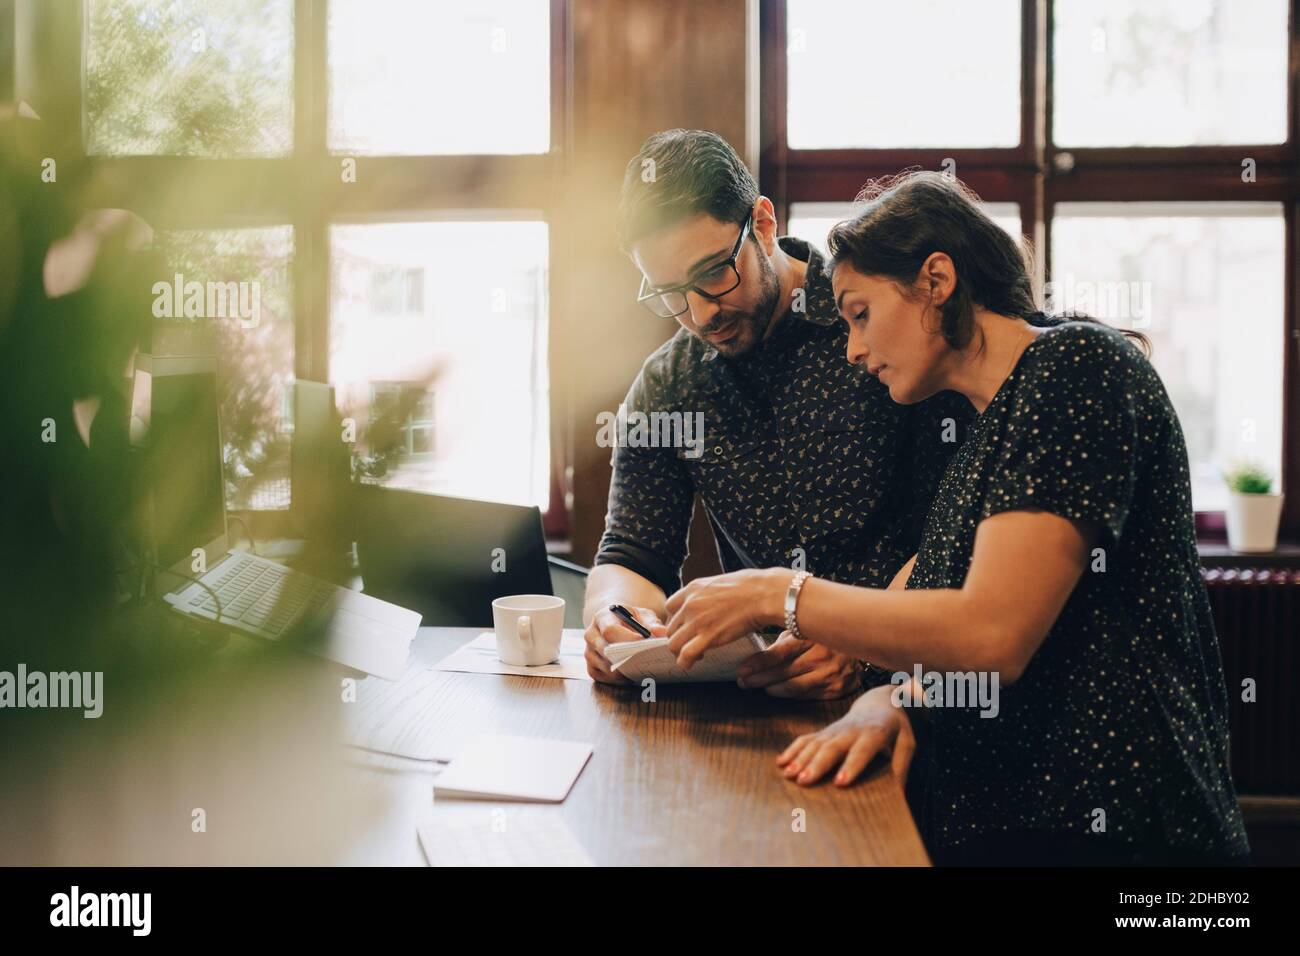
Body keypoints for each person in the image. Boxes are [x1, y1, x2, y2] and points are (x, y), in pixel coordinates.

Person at [661, 170, 1251, 866]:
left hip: (1122, 833)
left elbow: (992, 634)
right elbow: (940, 619)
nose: (851, 350)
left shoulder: (1077, 368)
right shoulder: (979, 433)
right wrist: (900, 698)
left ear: (935, 281)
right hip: (1010, 826)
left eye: (859, 314)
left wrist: (775, 594)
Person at [584, 130, 971, 699]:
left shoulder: (880, 322)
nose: (699, 312)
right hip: (766, 698)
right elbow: (631, 550)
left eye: (714, 272)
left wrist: (866, 643)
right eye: (669, 292)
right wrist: (613, 621)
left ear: (763, 223)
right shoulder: (669, 382)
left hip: (922, 690)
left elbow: (961, 528)